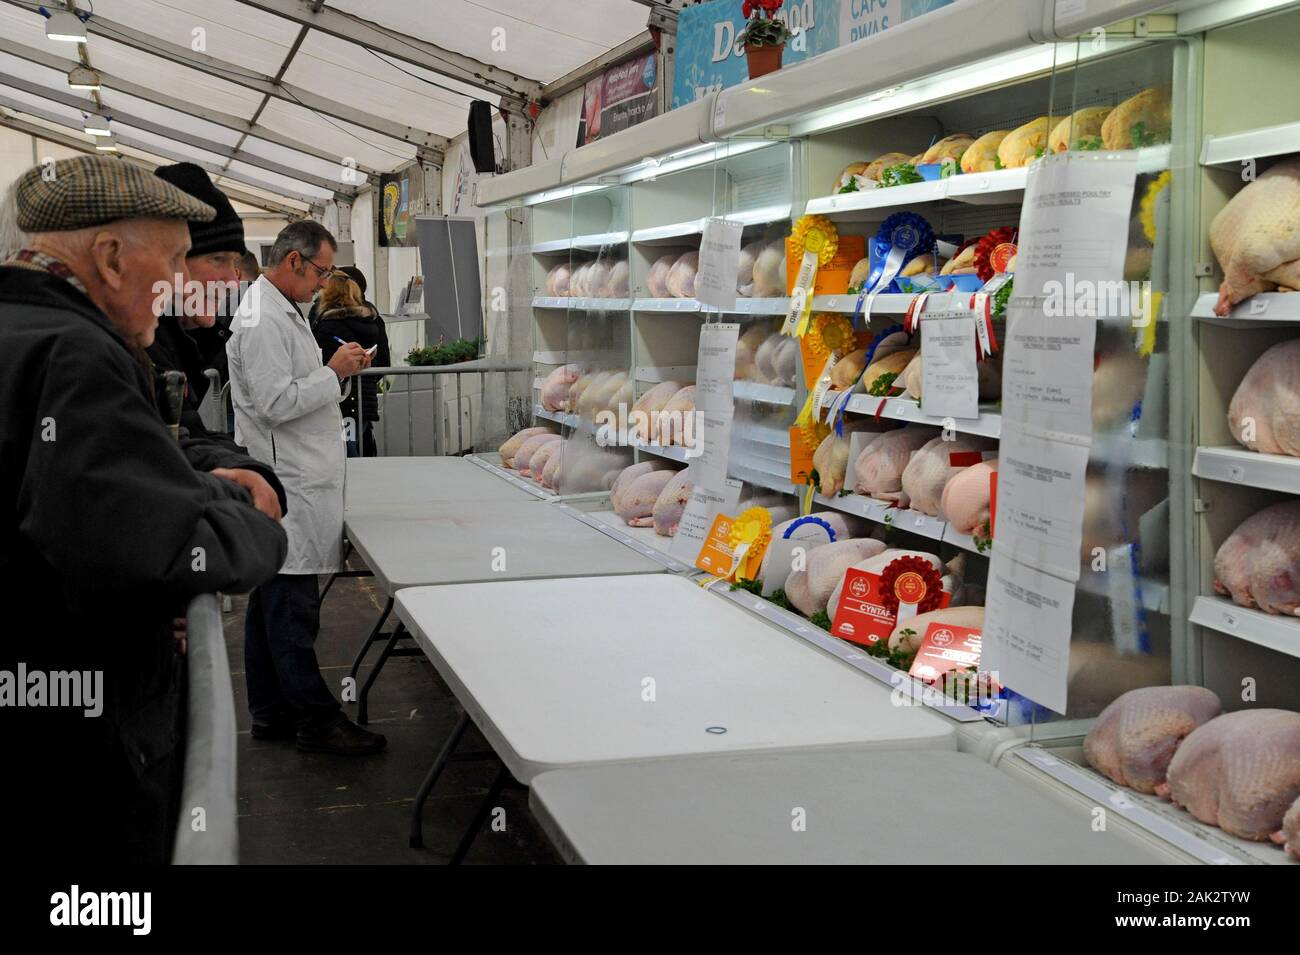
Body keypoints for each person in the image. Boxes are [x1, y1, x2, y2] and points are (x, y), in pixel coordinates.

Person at [0, 156, 288, 864]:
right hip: (75, 759)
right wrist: (254, 524)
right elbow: (157, 540)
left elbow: (129, 470)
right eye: (177, 260)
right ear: (110, 258)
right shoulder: (73, 358)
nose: (184, 285)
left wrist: (211, 482)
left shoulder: (26, 332)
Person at [227, 220, 386, 755]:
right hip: (288, 482)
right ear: (293, 261)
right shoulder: (263, 319)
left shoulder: (278, 309)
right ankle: (315, 720)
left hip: (296, 476)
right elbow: (274, 402)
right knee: (292, 612)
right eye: (320, 271)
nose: (323, 283)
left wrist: (330, 373)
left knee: (272, 605)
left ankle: (270, 713)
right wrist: (334, 372)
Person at [313, 271, 391, 457]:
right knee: (361, 447)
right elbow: (383, 362)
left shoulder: (326, 325)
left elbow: (320, 364)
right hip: (366, 400)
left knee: (346, 454)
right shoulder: (374, 321)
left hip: (340, 400)